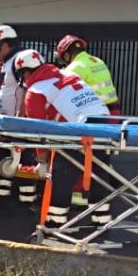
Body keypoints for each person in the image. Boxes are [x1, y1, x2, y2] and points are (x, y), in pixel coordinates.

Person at [13, 49, 112, 228]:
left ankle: (57, 222)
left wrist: (42, 161)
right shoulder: (69, 74)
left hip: (78, 130)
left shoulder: (35, 91)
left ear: (26, 73)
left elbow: (40, 131)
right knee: (98, 173)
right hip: (105, 125)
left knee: (61, 174)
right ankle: (101, 221)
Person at [55, 35, 120, 209]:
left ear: (66, 53)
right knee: (101, 158)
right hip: (112, 115)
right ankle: (99, 197)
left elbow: (65, 94)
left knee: (78, 158)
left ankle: (80, 198)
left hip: (92, 118)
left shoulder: (75, 67)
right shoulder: (96, 61)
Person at [0, 25, 37, 206]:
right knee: (3, 161)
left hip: (17, 127)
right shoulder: (9, 62)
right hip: (6, 126)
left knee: (24, 165)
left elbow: (27, 90)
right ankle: (2, 202)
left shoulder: (20, 61)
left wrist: (19, 118)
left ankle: (26, 206)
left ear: (4, 45)